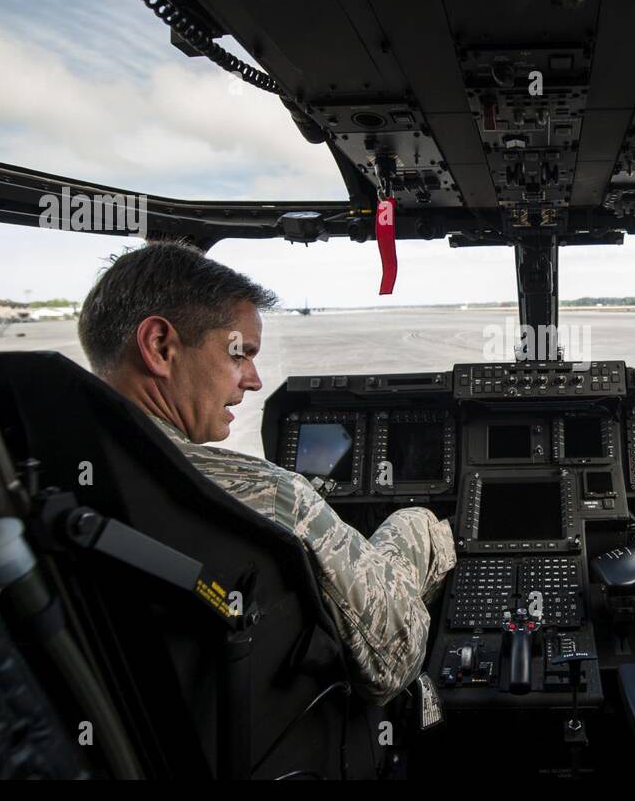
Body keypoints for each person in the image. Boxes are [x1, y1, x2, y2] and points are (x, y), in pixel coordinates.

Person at [76, 240, 455, 705]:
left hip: (143, 729)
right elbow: (394, 660)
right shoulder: (269, 497)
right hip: (281, 738)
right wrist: (418, 534)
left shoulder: (41, 479)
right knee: (415, 523)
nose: (254, 379)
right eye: (239, 354)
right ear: (160, 346)